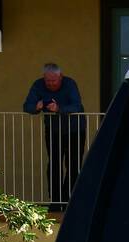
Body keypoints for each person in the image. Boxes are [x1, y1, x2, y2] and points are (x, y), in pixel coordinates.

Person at [22, 63, 84, 207]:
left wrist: (59, 108)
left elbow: (77, 106)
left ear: (60, 77)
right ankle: (56, 201)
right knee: (54, 165)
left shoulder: (70, 84)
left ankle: (69, 201)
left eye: (53, 81)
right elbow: (27, 106)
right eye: (47, 81)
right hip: (53, 130)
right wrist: (36, 108)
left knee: (73, 165)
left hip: (74, 129)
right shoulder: (38, 85)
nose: (50, 84)